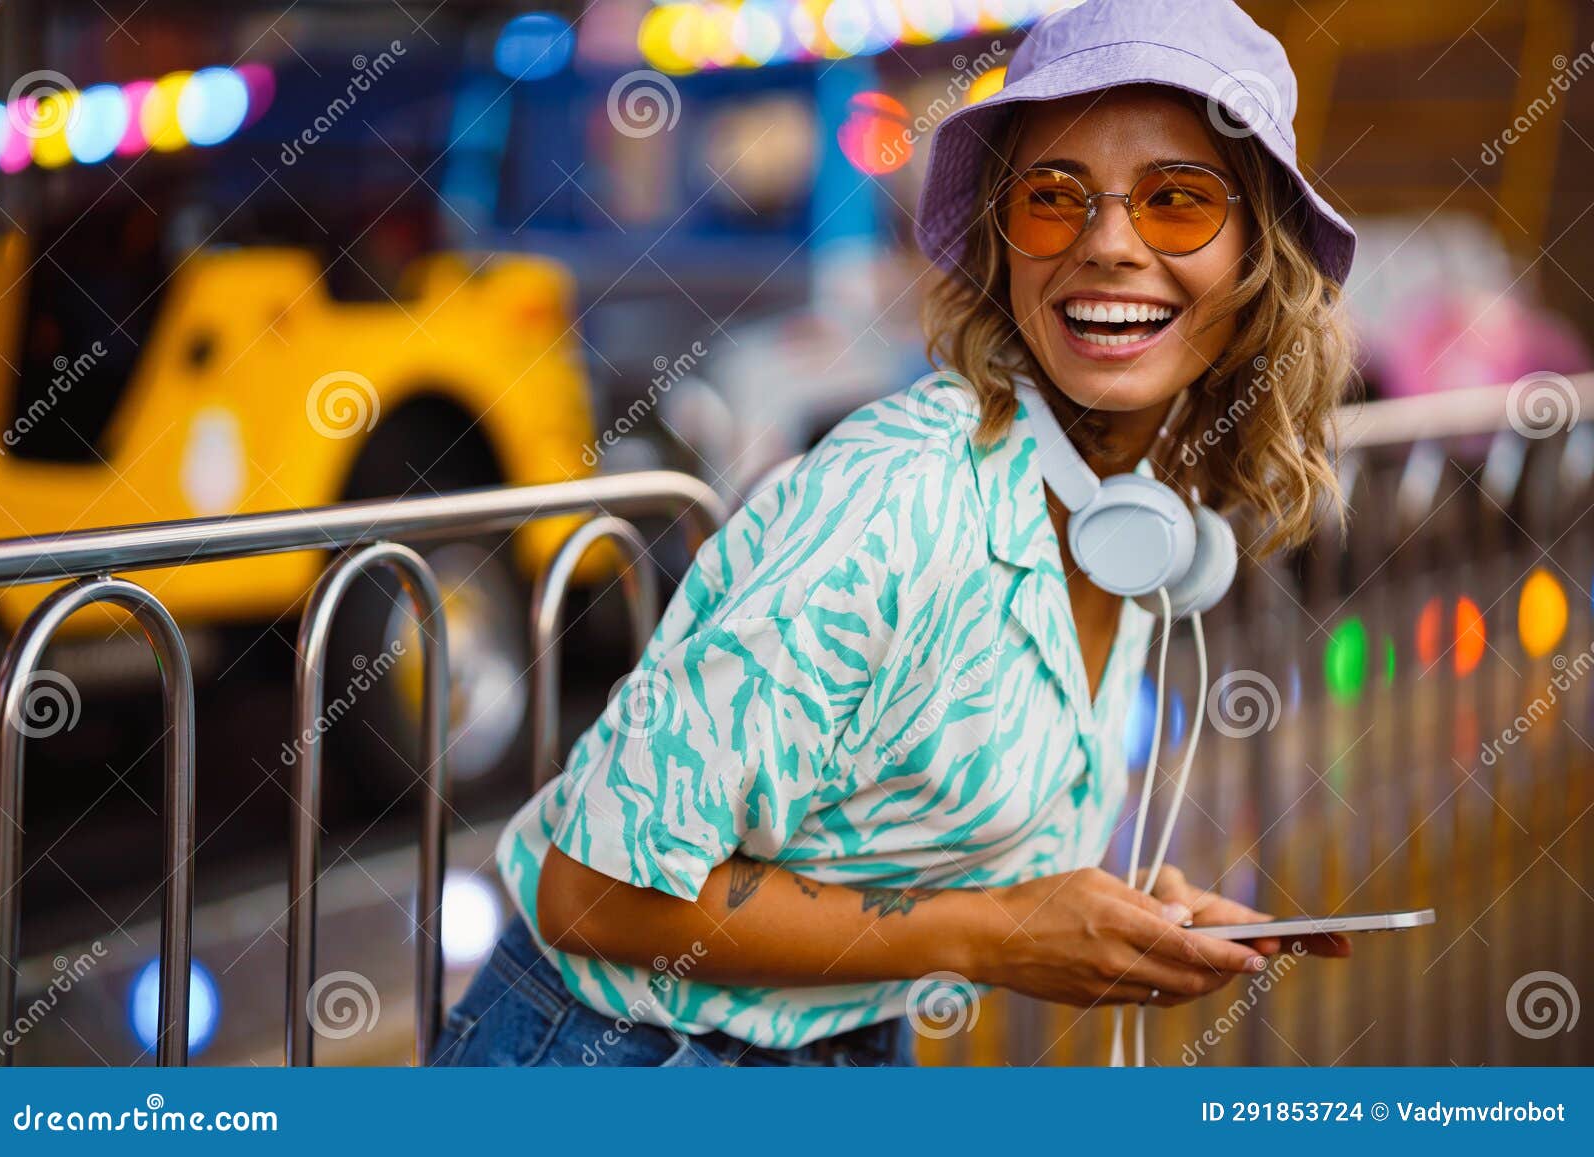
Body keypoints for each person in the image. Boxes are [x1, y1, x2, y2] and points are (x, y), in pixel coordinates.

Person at [432, 0, 1356, 1068]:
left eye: (1177, 201)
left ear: (1257, 262)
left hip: (838, 1042)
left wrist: (1109, 916)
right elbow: (589, 890)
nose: (1107, 243)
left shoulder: (1128, 514)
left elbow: (907, 848)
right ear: (1004, 250)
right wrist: (989, 934)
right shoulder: (896, 496)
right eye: (1052, 200)